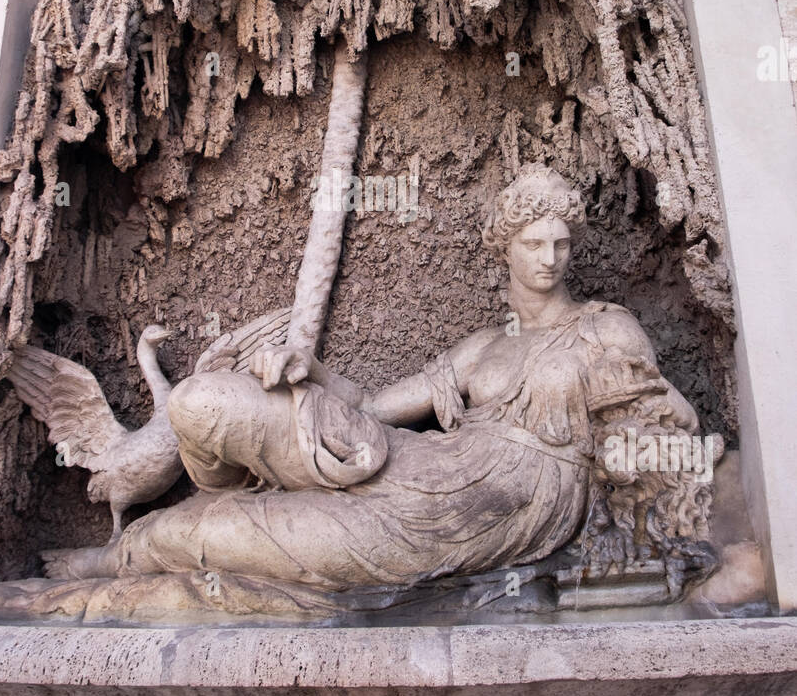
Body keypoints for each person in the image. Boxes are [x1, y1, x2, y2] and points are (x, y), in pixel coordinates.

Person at [43, 165, 709, 598]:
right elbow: (371, 405)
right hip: (426, 464)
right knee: (199, 403)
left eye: (561, 243)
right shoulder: (482, 347)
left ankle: (120, 561)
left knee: (241, 531)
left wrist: (647, 456)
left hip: (498, 507)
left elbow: (671, 424)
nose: (550, 258)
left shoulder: (606, 329)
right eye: (534, 243)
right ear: (504, 249)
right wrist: (309, 370)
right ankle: (159, 524)